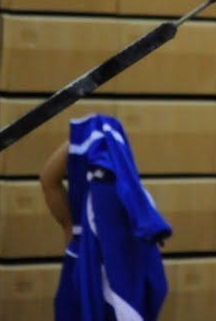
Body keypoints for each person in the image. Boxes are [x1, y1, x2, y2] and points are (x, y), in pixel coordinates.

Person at [40, 113, 172, 321]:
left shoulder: (132, 258)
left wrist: (87, 139)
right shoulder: (80, 236)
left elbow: (48, 181)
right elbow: (49, 181)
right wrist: (92, 140)